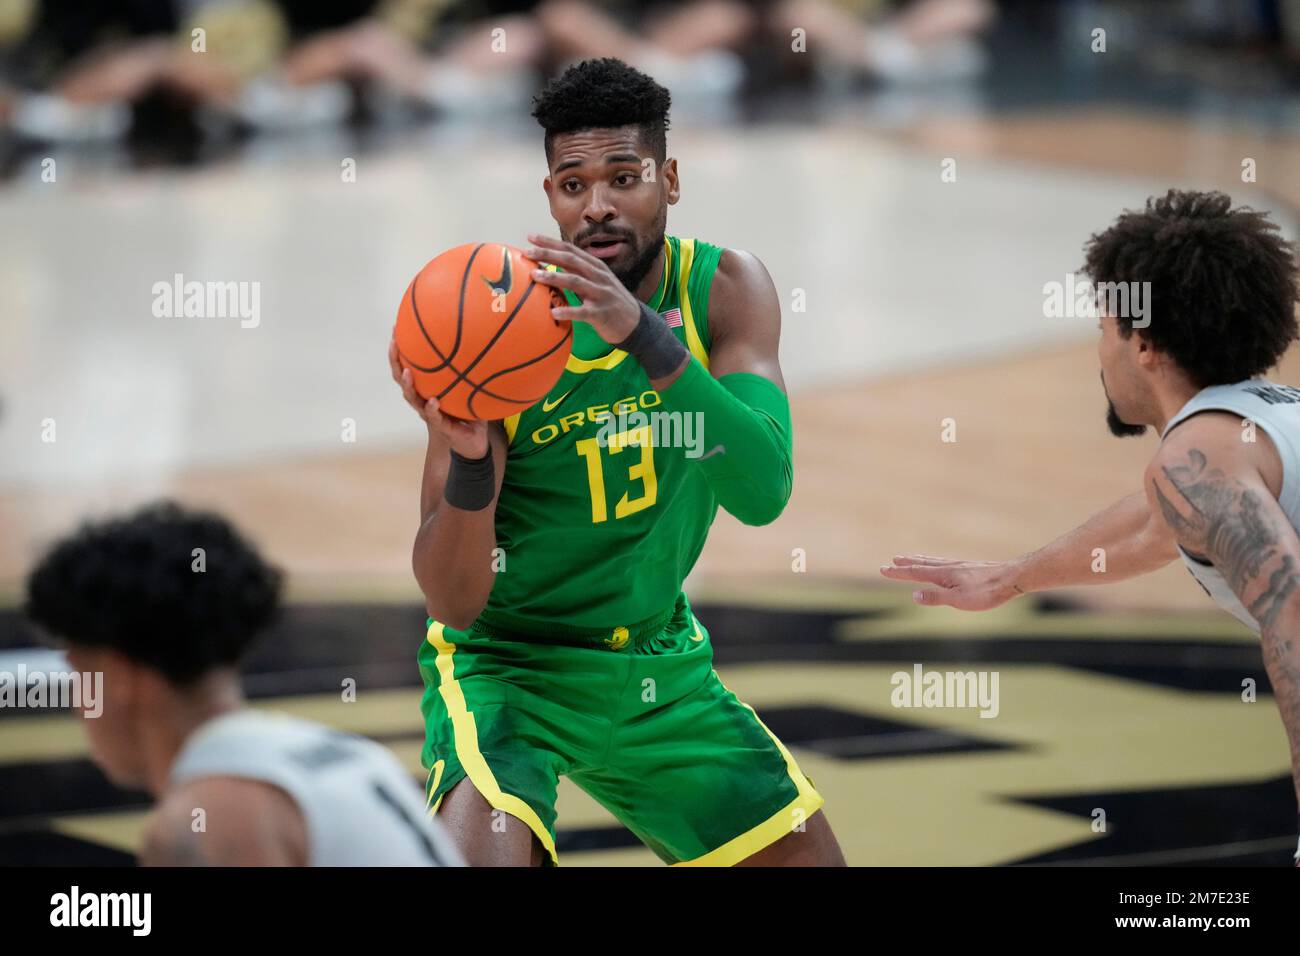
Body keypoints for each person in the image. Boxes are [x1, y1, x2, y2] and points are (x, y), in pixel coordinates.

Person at [389, 56, 844, 865]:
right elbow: (454, 604)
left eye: (623, 177)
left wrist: (647, 338)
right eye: (572, 184)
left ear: (669, 178)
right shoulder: (499, 332)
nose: (596, 206)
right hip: (512, 671)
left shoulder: (724, 291)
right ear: (549, 195)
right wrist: (466, 461)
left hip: (654, 661)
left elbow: (763, 489)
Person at [881, 189, 1300, 863]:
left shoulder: (1199, 458)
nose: (1097, 354)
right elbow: (1147, 530)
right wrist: (1013, 578)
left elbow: (1294, 616)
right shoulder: (1253, 430)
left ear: (1141, 344)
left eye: (1102, 329)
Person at [25, 501, 463, 867]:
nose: (79, 704)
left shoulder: (209, 815)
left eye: (79, 671)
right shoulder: (339, 753)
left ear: (120, 676)